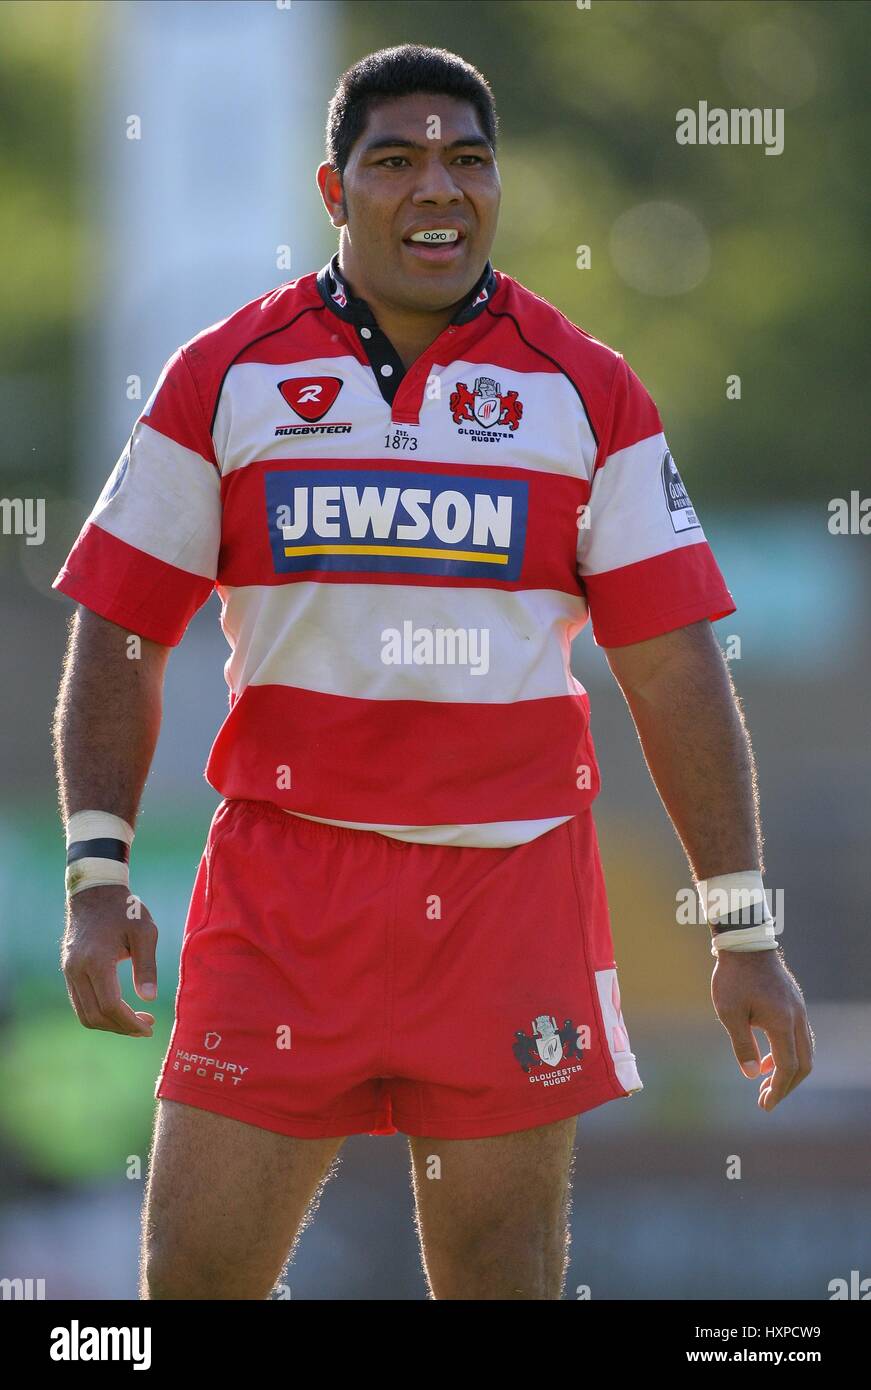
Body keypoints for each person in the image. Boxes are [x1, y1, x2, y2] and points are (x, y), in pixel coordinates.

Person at [52, 43, 813, 1302]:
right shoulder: (225, 375)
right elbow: (123, 624)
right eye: (395, 161)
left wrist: (739, 924)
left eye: (466, 160)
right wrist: (96, 872)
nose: (438, 190)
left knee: (499, 1286)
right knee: (188, 1285)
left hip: (510, 895)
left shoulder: (588, 390)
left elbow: (673, 667)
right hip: (284, 889)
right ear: (333, 188)